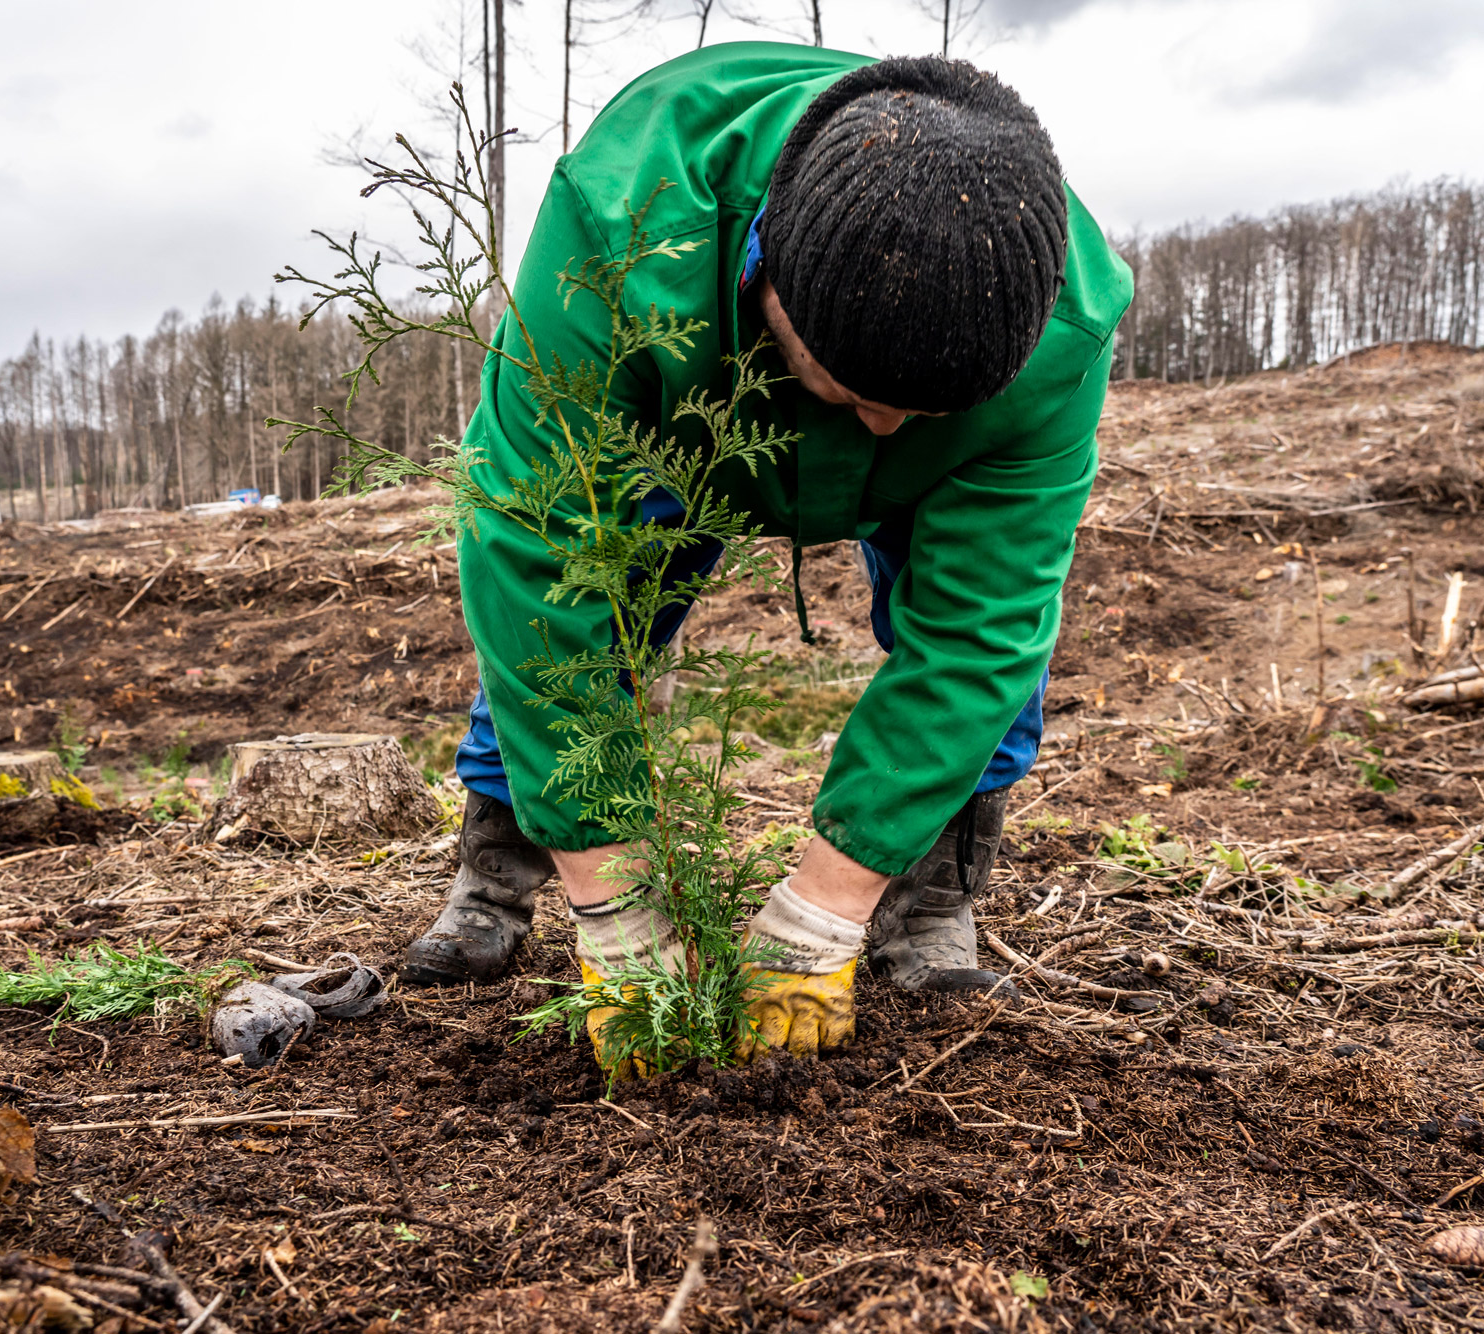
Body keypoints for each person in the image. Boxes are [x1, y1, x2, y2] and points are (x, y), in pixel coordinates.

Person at [401, 43, 1132, 1068]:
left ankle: (924, 897)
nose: (882, 424)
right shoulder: (623, 225)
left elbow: (980, 630)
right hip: (683, 409)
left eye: (916, 408)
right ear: (769, 278)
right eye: (851, 385)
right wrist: (612, 895)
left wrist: (824, 901)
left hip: (947, 459)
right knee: (583, 598)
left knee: (996, 653)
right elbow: (531, 557)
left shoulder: (1058, 319)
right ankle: (498, 867)